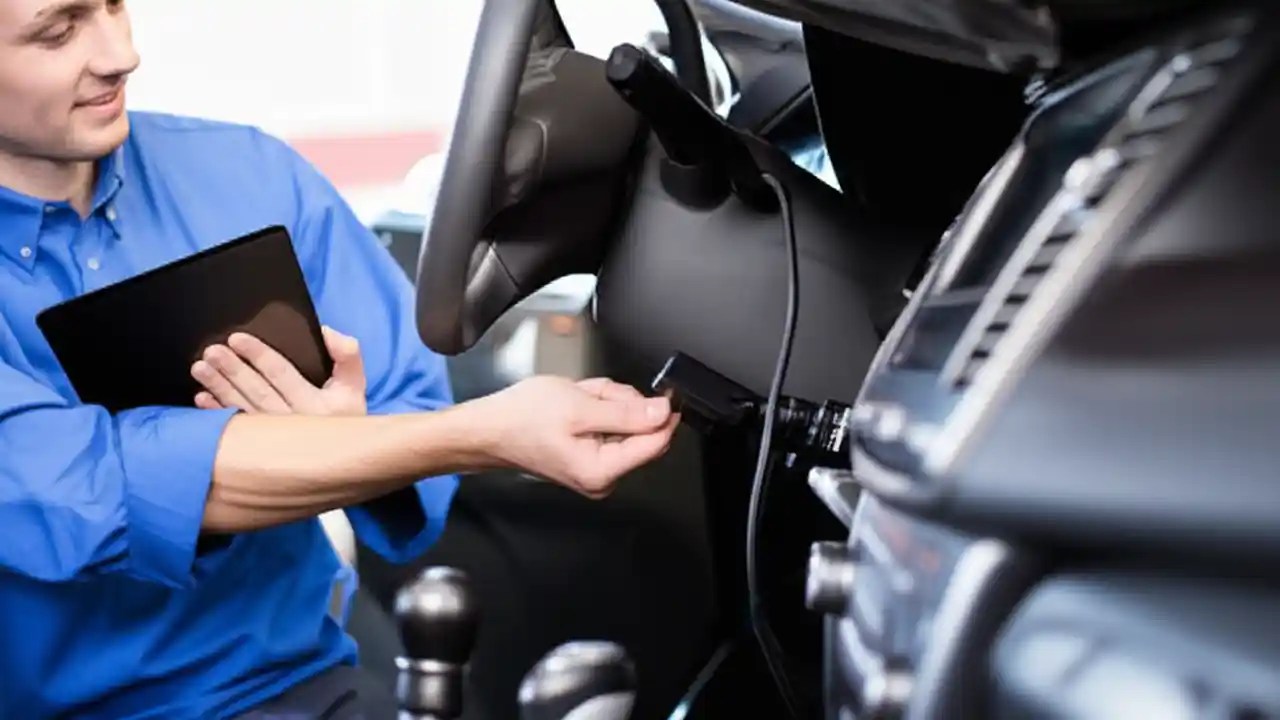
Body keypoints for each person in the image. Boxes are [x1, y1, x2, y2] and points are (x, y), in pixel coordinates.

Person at [0, 1, 679, 718]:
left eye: (113, 4)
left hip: (295, 686)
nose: (120, 53)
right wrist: (478, 433)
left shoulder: (251, 176)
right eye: (58, 30)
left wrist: (354, 439)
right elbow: (100, 485)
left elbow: (408, 401)